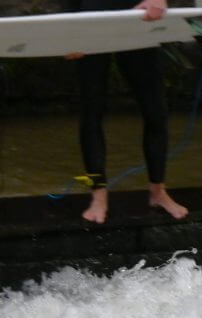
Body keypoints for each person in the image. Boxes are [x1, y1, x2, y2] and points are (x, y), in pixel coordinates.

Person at [64, 0, 188, 224]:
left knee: (156, 111)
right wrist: (67, 32)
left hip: (136, 17)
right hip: (89, 19)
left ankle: (158, 191)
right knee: (91, 112)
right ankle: (98, 195)